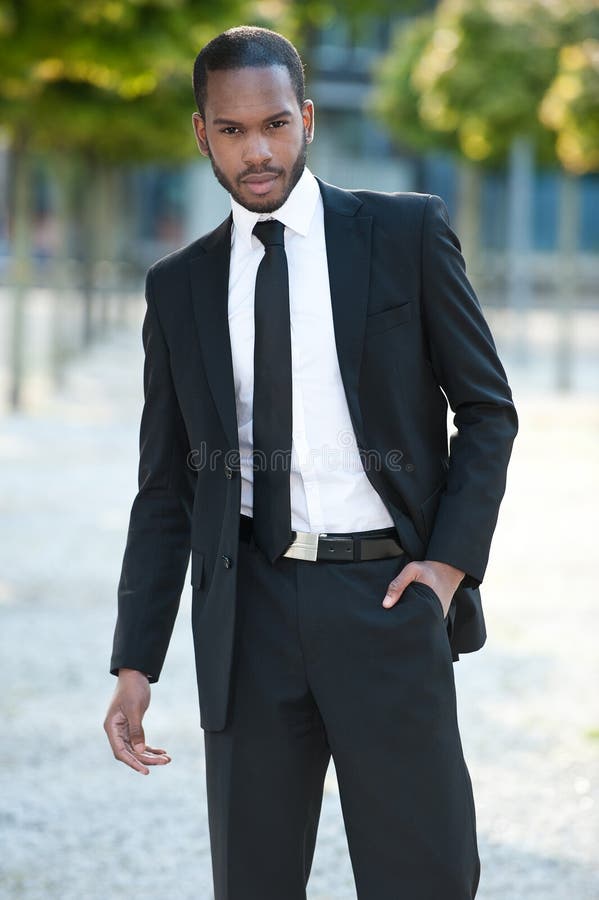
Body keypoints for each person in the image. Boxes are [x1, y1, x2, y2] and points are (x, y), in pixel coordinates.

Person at [104, 25, 518, 900]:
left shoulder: (404, 233)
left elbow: (486, 410)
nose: (258, 150)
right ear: (200, 132)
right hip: (248, 614)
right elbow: (165, 487)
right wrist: (135, 662)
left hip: (386, 599)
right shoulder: (177, 287)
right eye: (232, 130)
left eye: (276, 124)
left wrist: (445, 567)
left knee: (425, 877)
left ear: (309, 119)